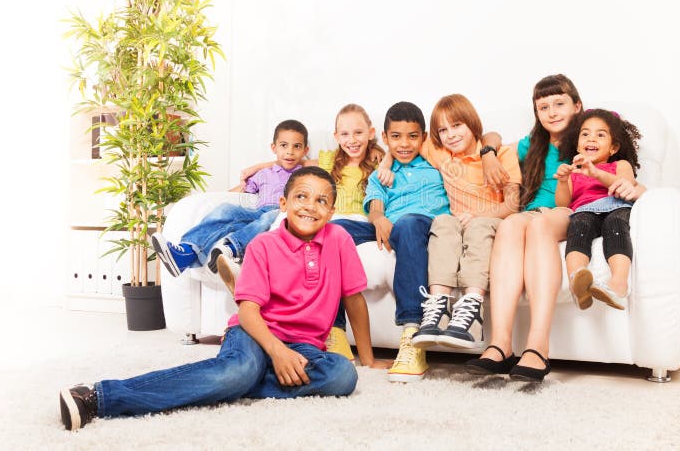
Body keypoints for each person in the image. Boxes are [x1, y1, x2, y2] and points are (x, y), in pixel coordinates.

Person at [59, 167, 386, 431]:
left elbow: (354, 299)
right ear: (283, 204)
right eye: (301, 196)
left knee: (343, 374)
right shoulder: (263, 246)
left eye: (321, 201)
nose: (310, 206)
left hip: (304, 347)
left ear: (331, 211)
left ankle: (236, 379)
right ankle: (99, 397)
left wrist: (368, 360)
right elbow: (248, 313)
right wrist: (276, 351)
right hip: (256, 334)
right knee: (237, 371)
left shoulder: (340, 239)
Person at [464, 74, 645, 382]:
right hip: (532, 210)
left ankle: (538, 346)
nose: (552, 112)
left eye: (559, 104)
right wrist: (489, 154)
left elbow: (618, 172)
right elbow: (491, 135)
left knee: (538, 227)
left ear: (578, 106)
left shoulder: (587, 144)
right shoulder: (531, 145)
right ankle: (501, 344)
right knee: (509, 226)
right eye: (543, 107)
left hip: (566, 211)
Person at [222, 104, 383, 364]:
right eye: (344, 134)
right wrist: (258, 167)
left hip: (352, 221)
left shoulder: (378, 161)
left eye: (358, 133)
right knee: (274, 220)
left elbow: (353, 296)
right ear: (336, 136)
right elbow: (295, 163)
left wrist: (382, 156)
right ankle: (251, 269)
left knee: (341, 374)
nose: (351, 140)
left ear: (371, 133)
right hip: (326, 220)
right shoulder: (331, 160)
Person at [330, 102, 450, 382]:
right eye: (396, 137)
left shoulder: (436, 160)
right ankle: (334, 332)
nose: (404, 144)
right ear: (384, 138)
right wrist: (379, 218)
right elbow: (373, 206)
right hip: (387, 224)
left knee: (408, 223)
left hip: (421, 224)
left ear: (424, 137)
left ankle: (412, 334)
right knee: (333, 231)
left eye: (412, 136)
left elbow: (486, 138)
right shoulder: (380, 173)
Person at [408, 94, 522, 352]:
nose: (450, 135)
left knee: (479, 228)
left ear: (471, 123)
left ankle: (473, 312)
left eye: (457, 125)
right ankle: (439, 308)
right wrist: (386, 161)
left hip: (492, 221)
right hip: (458, 224)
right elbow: (402, 143)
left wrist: (488, 153)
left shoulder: (501, 155)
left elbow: (512, 206)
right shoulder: (441, 153)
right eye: (443, 130)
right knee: (443, 221)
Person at [150, 120, 309, 278]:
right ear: (273, 148)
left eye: (297, 146)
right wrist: (218, 198)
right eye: (284, 145)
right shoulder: (263, 174)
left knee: (268, 218)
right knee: (226, 210)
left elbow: (315, 167)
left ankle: (232, 249)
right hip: (258, 212)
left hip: (282, 214)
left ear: (305, 150)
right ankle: (186, 252)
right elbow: (241, 191)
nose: (290, 152)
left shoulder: (306, 174)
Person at [555, 109, 641, 311]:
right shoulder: (573, 171)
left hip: (616, 206)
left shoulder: (620, 164)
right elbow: (562, 203)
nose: (591, 138)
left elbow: (625, 184)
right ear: (577, 144)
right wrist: (561, 181)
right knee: (578, 226)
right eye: (585, 134)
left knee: (615, 225)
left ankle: (619, 285)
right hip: (584, 210)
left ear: (613, 147)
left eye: (600, 135)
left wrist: (595, 173)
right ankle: (578, 280)